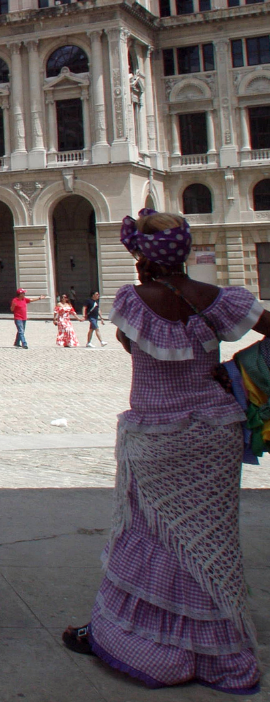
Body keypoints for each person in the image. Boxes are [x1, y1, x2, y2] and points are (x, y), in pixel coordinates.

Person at [63, 209, 265, 694]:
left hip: (157, 438)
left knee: (148, 536)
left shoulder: (133, 302)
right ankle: (217, 649)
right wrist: (240, 373)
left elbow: (130, 343)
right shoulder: (218, 299)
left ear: (143, 257)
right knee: (211, 541)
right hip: (215, 436)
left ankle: (147, 641)